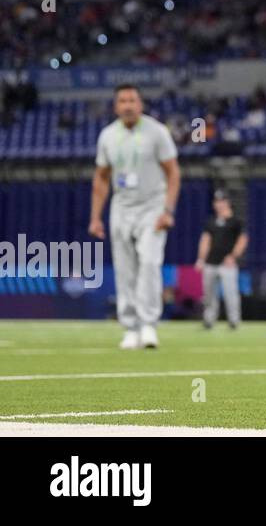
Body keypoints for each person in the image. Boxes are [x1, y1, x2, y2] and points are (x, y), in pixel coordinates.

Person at [88, 84, 181, 350]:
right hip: (121, 207)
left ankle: (149, 324)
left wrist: (168, 210)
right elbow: (101, 178)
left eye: (132, 100)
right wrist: (95, 217)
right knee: (125, 268)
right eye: (122, 101)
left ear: (140, 104)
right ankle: (130, 327)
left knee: (150, 262)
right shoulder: (107, 136)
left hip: (152, 206)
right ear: (116, 106)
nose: (128, 105)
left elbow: (173, 173)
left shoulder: (158, 132)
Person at [194, 189, 247, 330]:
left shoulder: (236, 221)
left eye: (222, 201)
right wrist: (201, 259)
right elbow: (205, 240)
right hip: (211, 263)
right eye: (217, 201)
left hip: (227, 264)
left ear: (228, 202)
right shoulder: (211, 222)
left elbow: (243, 240)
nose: (219, 204)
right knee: (209, 295)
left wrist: (233, 256)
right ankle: (209, 320)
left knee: (231, 293)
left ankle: (234, 321)